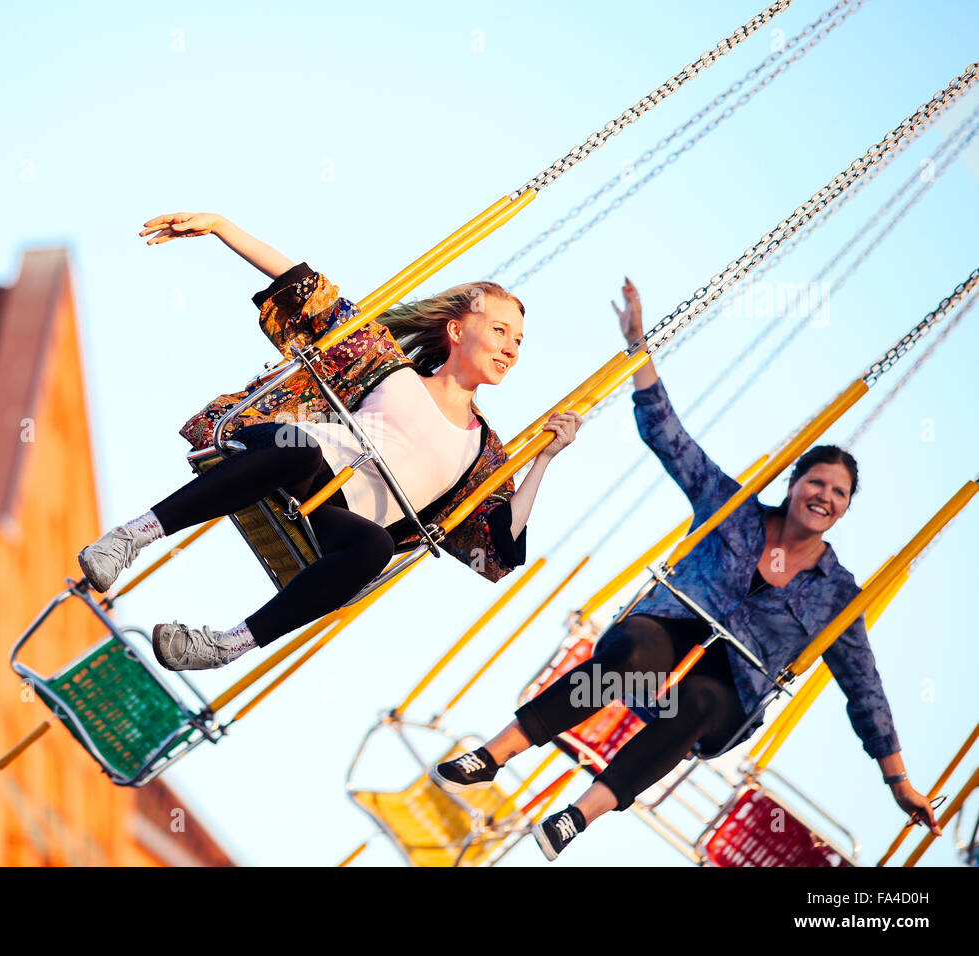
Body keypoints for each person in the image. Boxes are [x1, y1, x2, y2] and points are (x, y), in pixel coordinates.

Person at [430, 277, 942, 861]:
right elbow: (669, 438)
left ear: (846, 508)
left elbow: (863, 685)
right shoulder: (734, 510)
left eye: (838, 493)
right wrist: (639, 350)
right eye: (816, 483)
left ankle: (579, 815)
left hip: (721, 691)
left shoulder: (836, 593)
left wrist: (897, 780)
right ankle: (496, 752)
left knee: (699, 704)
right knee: (628, 659)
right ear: (794, 484)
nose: (824, 496)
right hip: (663, 641)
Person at [77, 211, 581, 671]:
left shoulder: (484, 451)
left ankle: (226, 646)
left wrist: (544, 459)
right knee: (301, 448)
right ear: (456, 330)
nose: (510, 348)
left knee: (375, 548)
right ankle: (129, 539)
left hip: (336, 519)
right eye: (500, 330)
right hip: (298, 462)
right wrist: (221, 227)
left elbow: (501, 543)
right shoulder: (385, 362)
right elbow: (308, 292)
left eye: (518, 341)